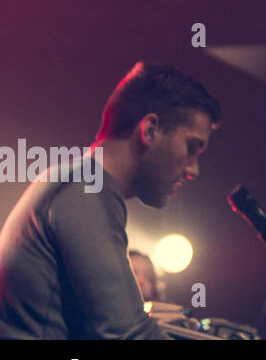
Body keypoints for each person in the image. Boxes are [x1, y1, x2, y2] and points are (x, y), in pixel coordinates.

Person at [0, 62, 218, 339]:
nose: (193, 170)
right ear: (150, 130)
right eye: (191, 147)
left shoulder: (80, 183)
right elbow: (128, 334)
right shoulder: (85, 190)